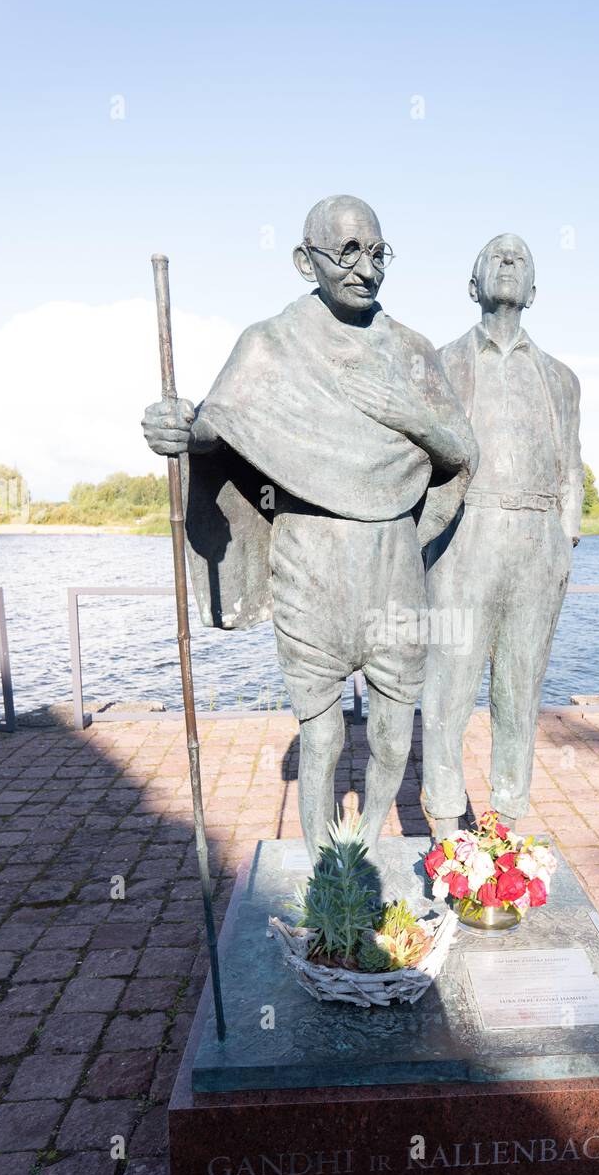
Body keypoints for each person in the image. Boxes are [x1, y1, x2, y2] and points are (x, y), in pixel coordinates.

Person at [142, 195, 476, 861]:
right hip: (310, 558)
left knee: (390, 732)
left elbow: (461, 452)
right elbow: (223, 423)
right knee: (321, 738)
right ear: (306, 260)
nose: (366, 269)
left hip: (391, 561)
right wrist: (183, 426)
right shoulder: (270, 344)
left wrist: (408, 415)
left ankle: (371, 848)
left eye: (378, 253)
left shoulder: (410, 351)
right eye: (347, 252)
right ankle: (325, 871)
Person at [422, 233, 583, 839]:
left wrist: (563, 545)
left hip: (538, 547)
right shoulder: (439, 364)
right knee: (448, 692)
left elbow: (571, 465)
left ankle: (506, 828)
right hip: (464, 541)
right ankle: (443, 823)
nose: (509, 261)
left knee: (519, 696)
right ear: (473, 286)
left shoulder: (562, 380)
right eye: (496, 255)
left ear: (534, 290)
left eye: (521, 258)